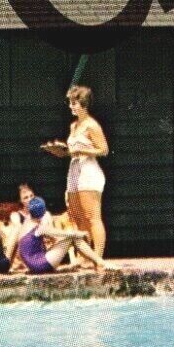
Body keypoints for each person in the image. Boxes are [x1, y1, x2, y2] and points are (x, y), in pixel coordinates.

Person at [48, 84, 110, 258]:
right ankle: (85, 256)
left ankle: (98, 257)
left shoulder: (92, 125)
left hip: (89, 172)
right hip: (74, 170)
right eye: (70, 103)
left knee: (92, 217)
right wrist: (60, 150)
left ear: (83, 104)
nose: (71, 106)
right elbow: (71, 151)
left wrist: (81, 151)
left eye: (74, 103)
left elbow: (103, 150)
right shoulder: (73, 126)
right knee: (78, 217)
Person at [14, 196, 106, 275]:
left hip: (32, 264)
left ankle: (96, 262)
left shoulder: (26, 222)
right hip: (40, 264)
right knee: (72, 238)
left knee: (69, 238)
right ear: (43, 213)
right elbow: (67, 234)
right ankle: (99, 261)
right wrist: (82, 233)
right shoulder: (40, 228)